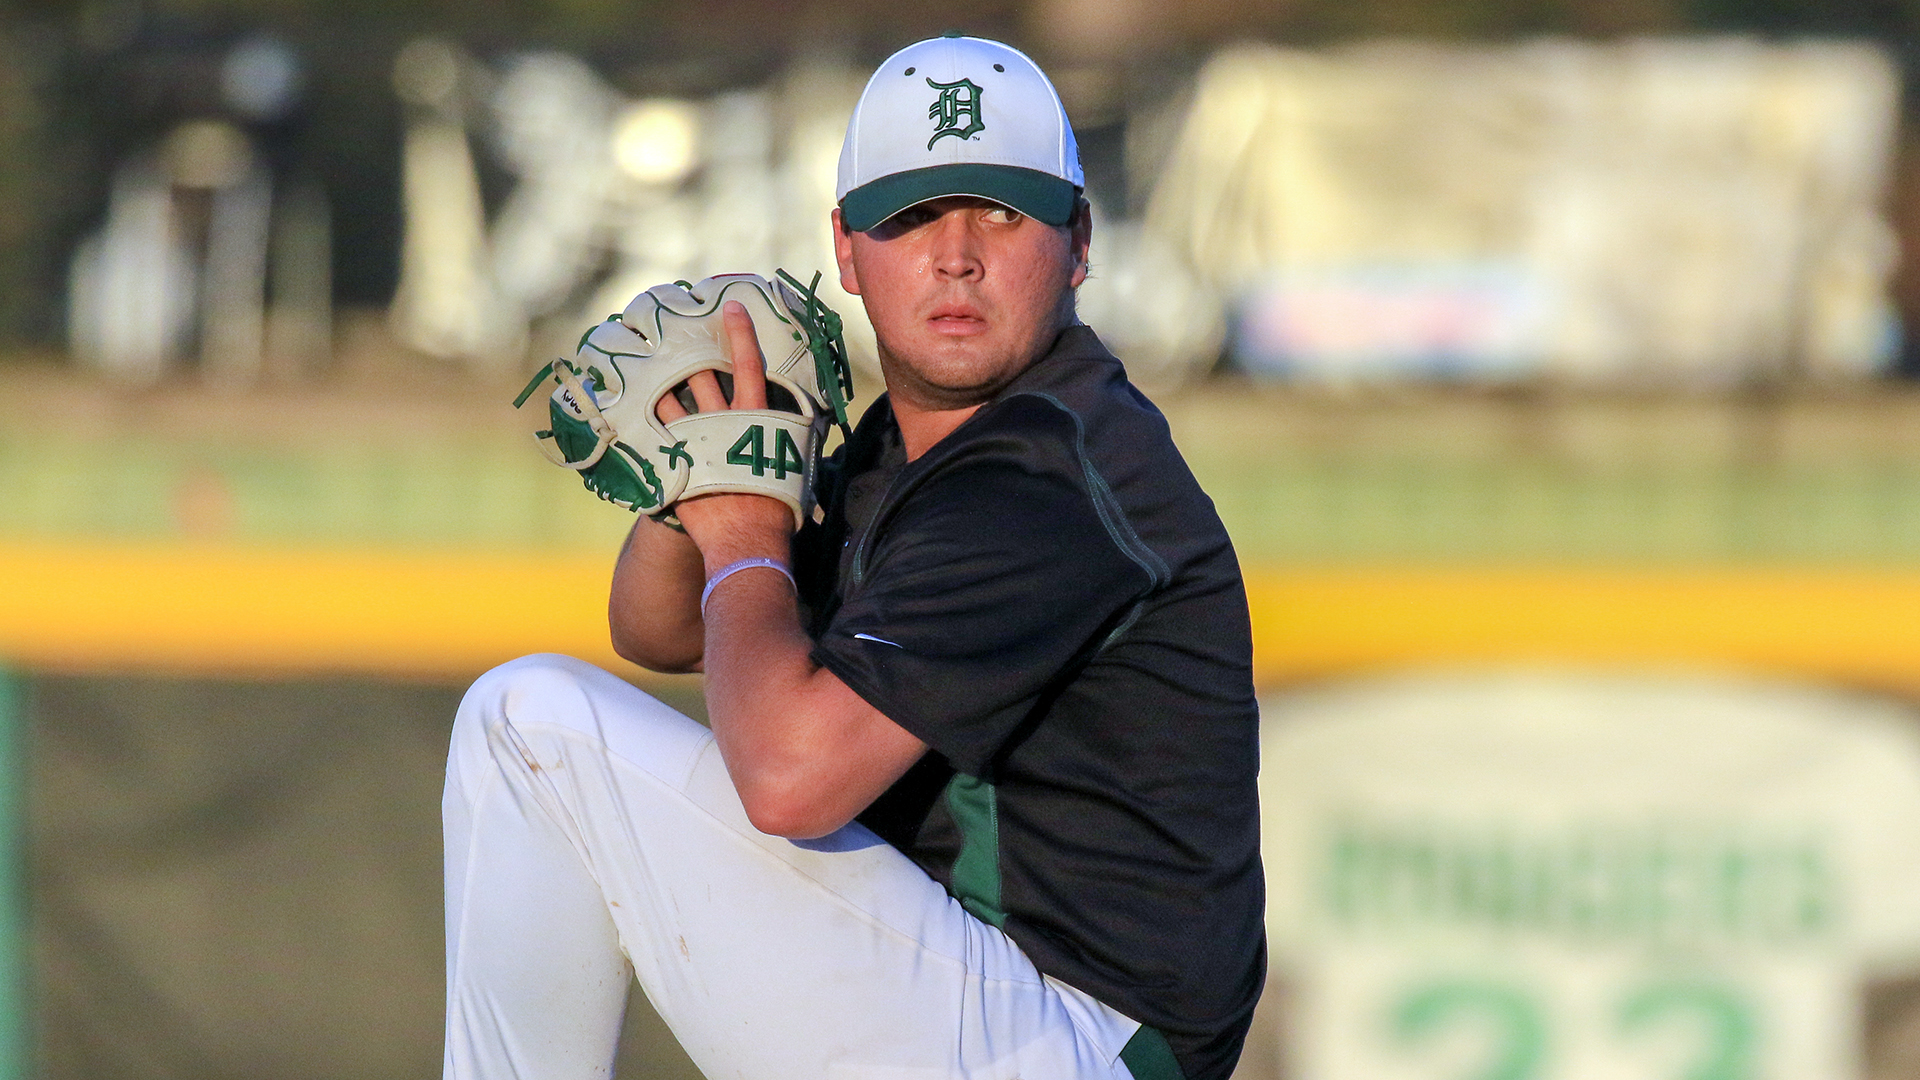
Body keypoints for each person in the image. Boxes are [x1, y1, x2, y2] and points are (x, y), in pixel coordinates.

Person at [443, 34, 1264, 1080]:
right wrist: (695, 479)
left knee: (527, 724)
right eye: (913, 215)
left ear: (1079, 240)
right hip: (985, 1012)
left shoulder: (1049, 479)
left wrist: (742, 519)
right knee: (537, 726)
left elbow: (791, 780)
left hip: (1063, 1039)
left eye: (1002, 211)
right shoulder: (915, 448)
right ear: (845, 246)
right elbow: (654, 632)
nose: (956, 254)